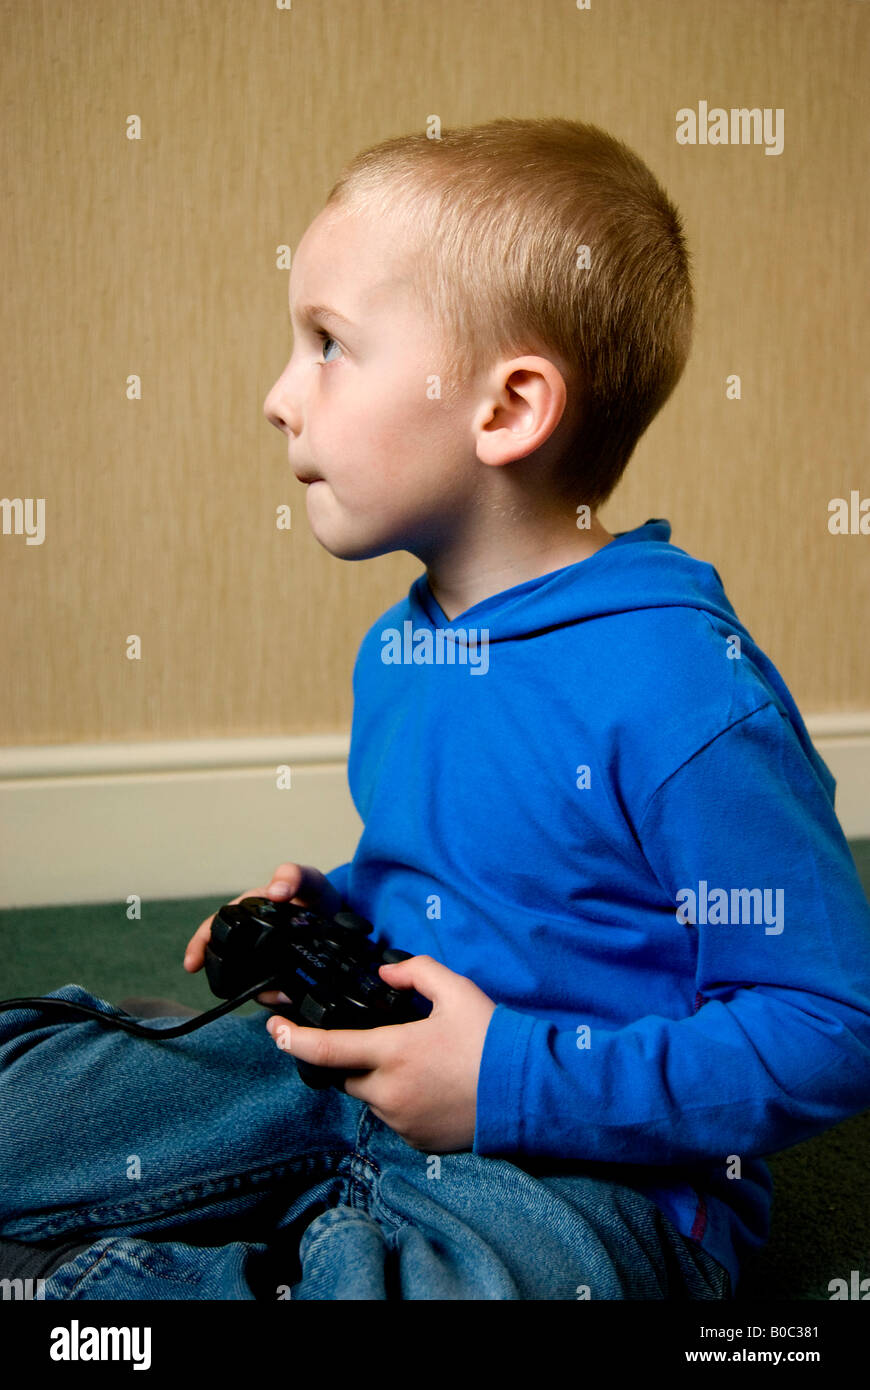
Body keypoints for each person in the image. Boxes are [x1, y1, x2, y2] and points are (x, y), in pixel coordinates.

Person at [2, 117, 869, 1301]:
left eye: (327, 346)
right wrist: (333, 916)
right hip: (364, 1072)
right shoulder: (404, 645)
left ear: (506, 409)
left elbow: (830, 1023)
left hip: (583, 1171)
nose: (277, 397)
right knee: (28, 1095)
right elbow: (469, 889)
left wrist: (512, 1078)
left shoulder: (687, 693)